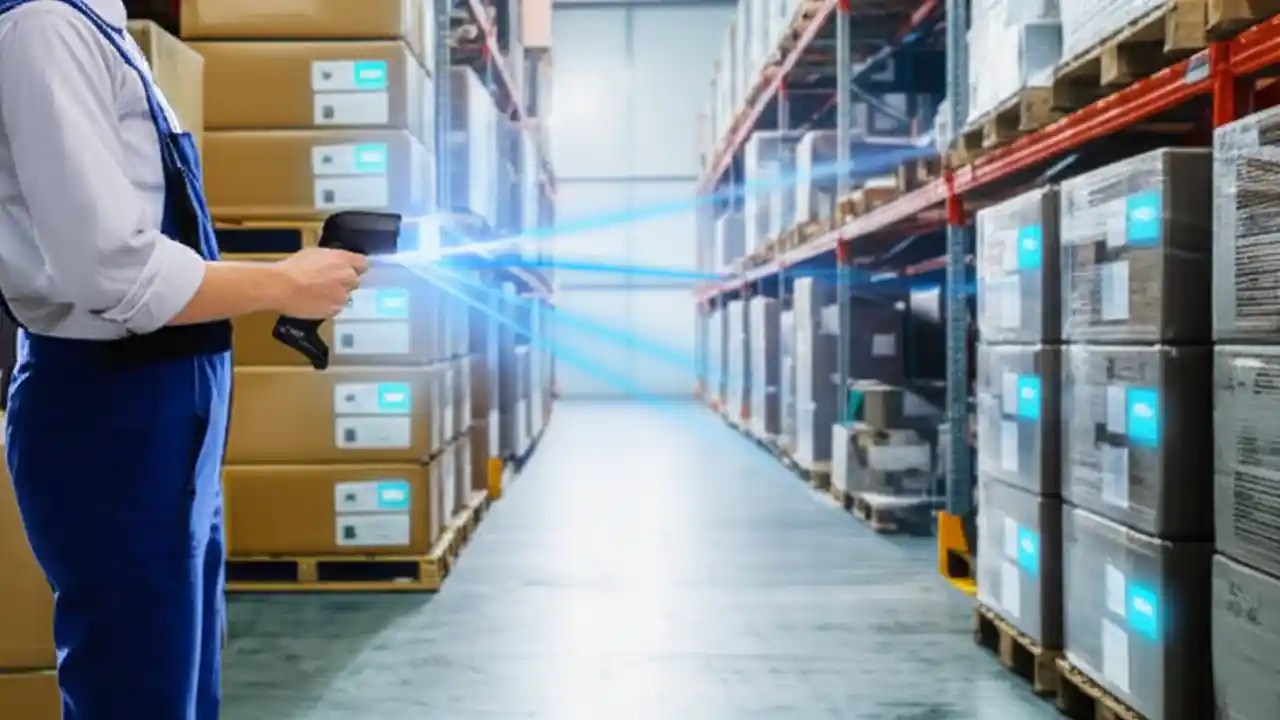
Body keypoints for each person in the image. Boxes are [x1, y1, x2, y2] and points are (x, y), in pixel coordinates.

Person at [0, 0, 370, 717]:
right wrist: (284, 283)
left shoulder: (98, 27)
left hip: (169, 406)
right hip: (110, 411)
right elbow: (112, 272)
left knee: (180, 677)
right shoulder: (45, 29)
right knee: (137, 689)